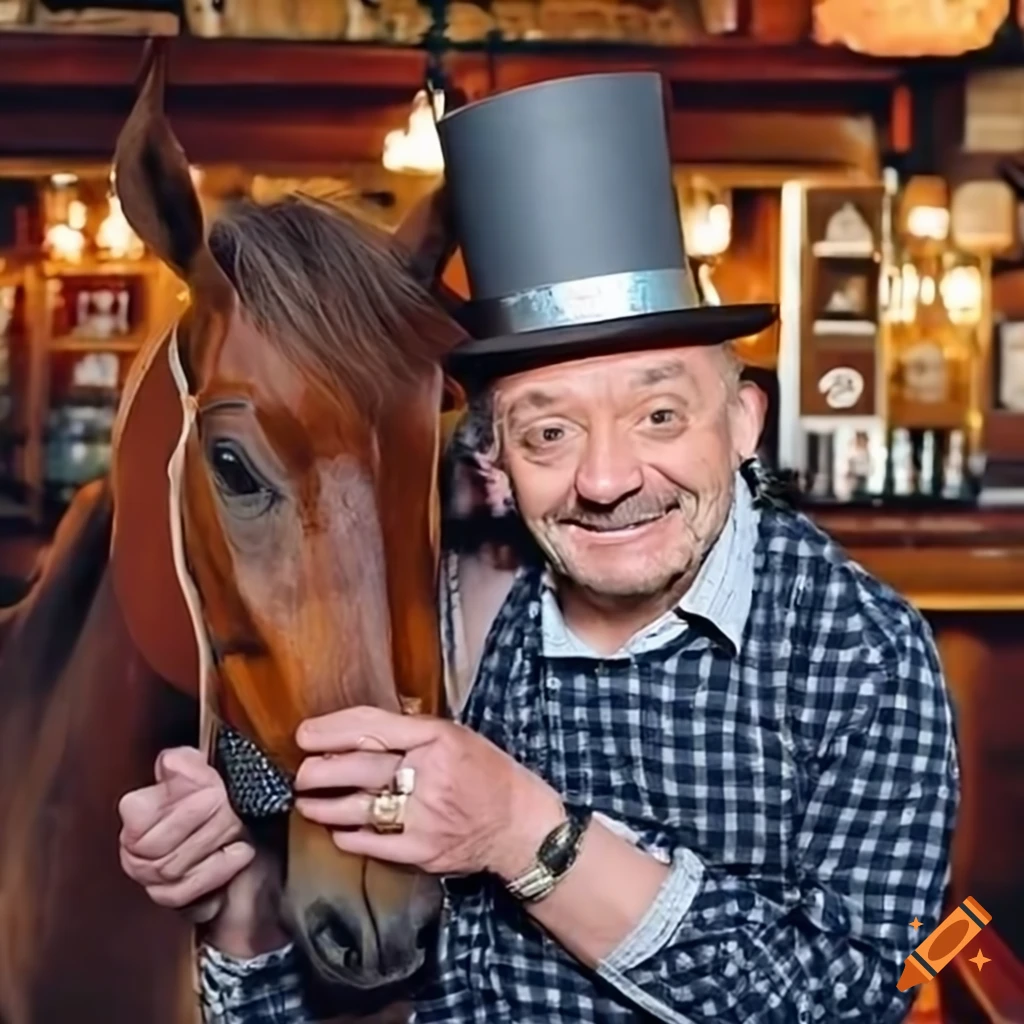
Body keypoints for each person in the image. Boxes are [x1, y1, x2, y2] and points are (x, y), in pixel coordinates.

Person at [117, 72, 958, 1024]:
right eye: (549, 432)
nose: (606, 478)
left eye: (659, 413)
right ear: (496, 464)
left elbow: (847, 1003)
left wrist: (527, 835)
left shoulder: (858, 653)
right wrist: (243, 913)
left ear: (744, 420)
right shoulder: (442, 628)